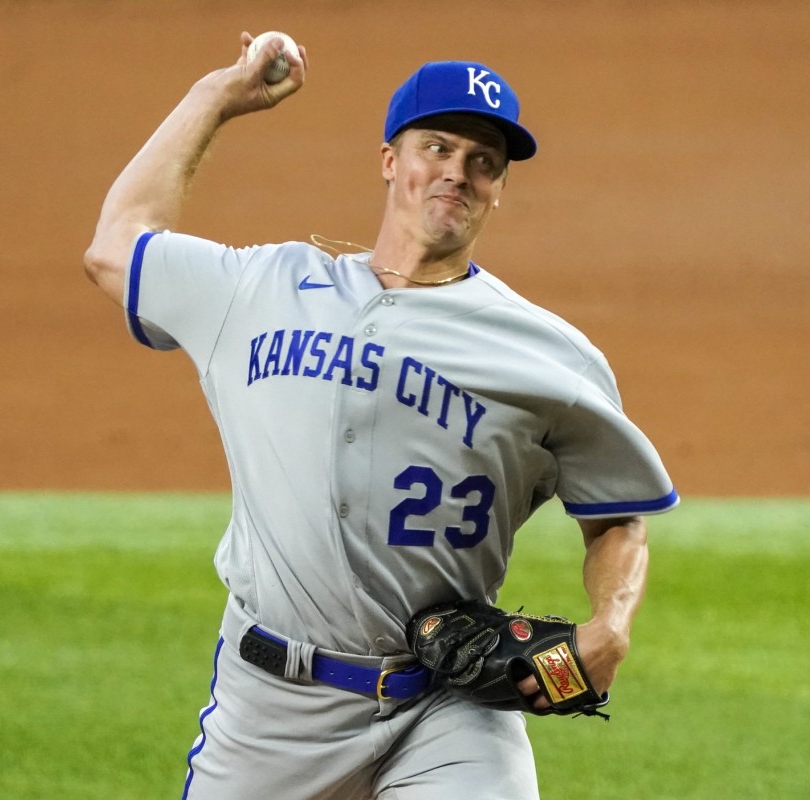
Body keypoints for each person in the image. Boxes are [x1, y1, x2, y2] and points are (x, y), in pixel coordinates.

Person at [84, 31, 678, 800]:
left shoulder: (549, 356)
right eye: (437, 147)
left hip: (449, 707)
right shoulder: (259, 287)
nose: (457, 173)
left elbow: (619, 516)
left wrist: (610, 626)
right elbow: (115, 245)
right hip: (271, 708)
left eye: (483, 161)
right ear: (390, 159)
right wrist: (216, 98)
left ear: (500, 187)